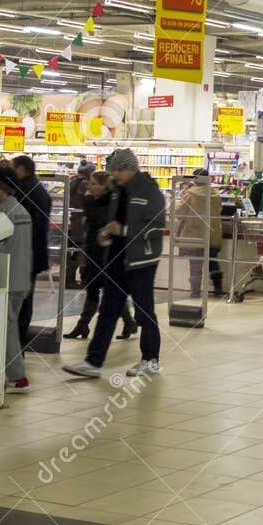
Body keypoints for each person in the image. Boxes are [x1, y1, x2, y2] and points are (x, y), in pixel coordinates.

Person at [63, 148, 166, 379]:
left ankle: (150, 360)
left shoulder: (149, 191)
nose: (115, 174)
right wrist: (106, 234)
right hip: (117, 259)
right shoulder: (117, 192)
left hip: (142, 261)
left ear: (130, 169)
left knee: (144, 311)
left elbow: (158, 226)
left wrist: (125, 230)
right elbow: (114, 221)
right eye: (114, 170)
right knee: (108, 310)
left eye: (119, 170)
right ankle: (93, 362)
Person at [64, 171, 136, 341]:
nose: (90, 187)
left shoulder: (110, 203)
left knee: (103, 289)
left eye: (94, 183)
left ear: (105, 186)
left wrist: (89, 202)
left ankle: (83, 325)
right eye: (90, 183)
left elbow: (98, 220)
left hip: (108, 252)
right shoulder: (93, 201)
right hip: (93, 251)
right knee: (95, 288)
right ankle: (126, 322)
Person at [0, 166, 33, 393]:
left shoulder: (0, 215)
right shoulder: (22, 211)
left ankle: (17, 377)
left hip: (5, 279)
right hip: (21, 277)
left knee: (6, 328)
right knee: (9, 326)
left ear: (2, 189)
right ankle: (12, 376)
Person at [9, 155, 52, 346]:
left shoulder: (23, 191)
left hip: (25, 253)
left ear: (21, 169)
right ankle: (20, 341)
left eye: (12, 168)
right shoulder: (40, 190)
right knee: (26, 298)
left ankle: (18, 342)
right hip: (35, 253)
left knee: (20, 301)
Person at [174, 168, 224, 298]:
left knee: (195, 264)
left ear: (195, 179)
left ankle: (195, 291)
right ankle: (218, 288)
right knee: (212, 261)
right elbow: (219, 210)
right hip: (212, 234)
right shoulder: (215, 193)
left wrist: (184, 191)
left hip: (194, 233)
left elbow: (179, 212)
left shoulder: (190, 193)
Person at [65, 160, 95, 287]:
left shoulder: (73, 182)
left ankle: (70, 279)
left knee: (76, 252)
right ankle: (83, 279)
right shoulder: (85, 185)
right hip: (84, 223)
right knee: (84, 252)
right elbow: (90, 202)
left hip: (75, 221)